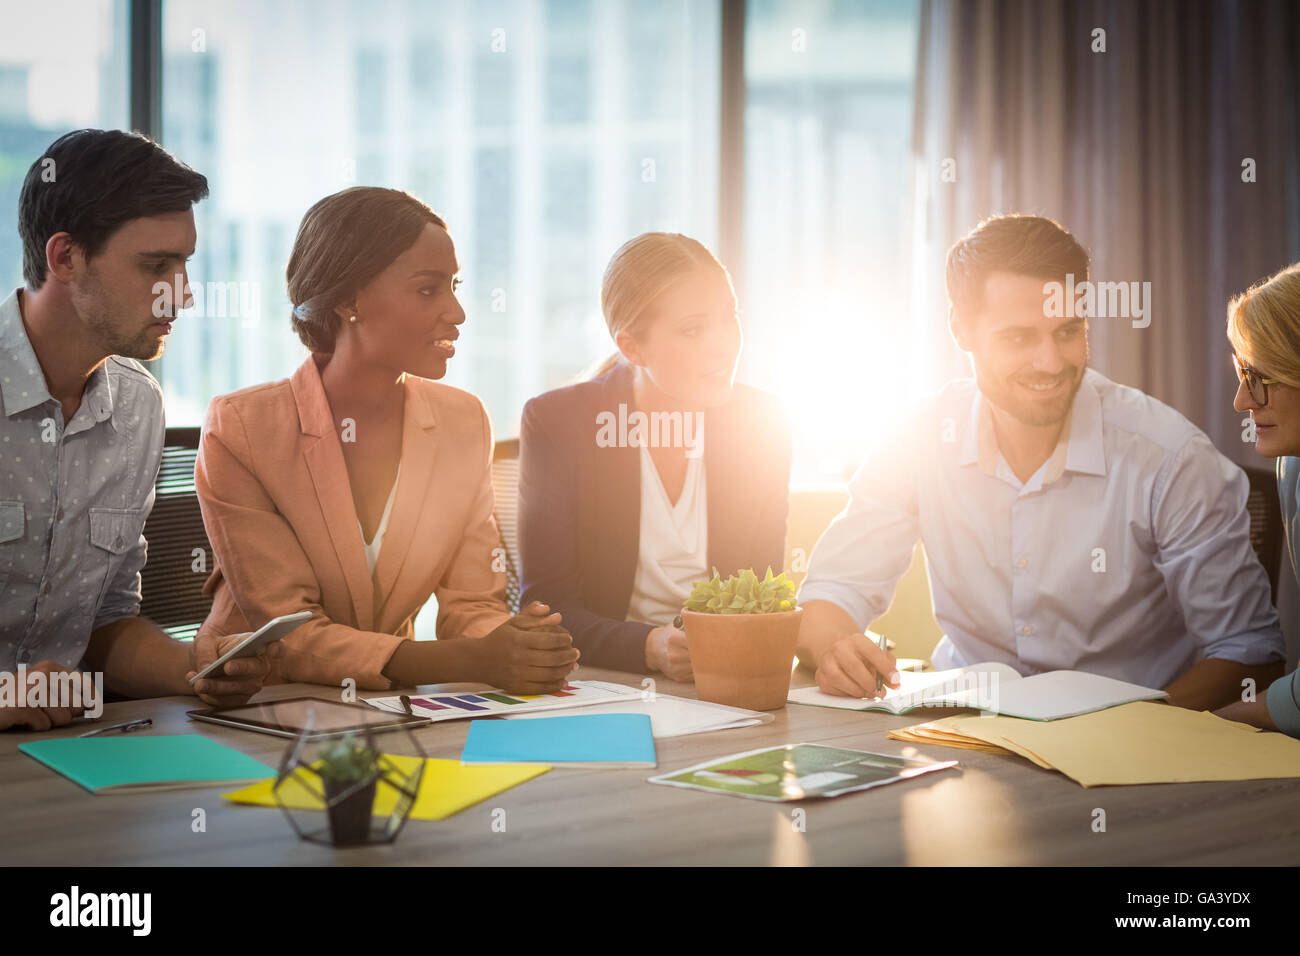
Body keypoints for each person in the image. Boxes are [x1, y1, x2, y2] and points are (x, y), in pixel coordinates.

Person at [797, 214, 1285, 710]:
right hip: (965, 733)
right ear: (960, 329)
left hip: (1126, 749)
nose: (1051, 362)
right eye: (1019, 338)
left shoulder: (1169, 457)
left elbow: (1249, 653)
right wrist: (835, 648)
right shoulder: (917, 438)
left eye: (1068, 331)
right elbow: (831, 594)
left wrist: (1131, 729)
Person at [194, 187, 578, 693]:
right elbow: (292, 635)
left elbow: (473, 606)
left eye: (454, 286)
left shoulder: (462, 421)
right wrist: (476, 659)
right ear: (349, 299)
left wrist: (516, 643)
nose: (457, 312)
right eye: (428, 290)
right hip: (255, 700)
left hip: (382, 706)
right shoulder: (242, 429)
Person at [0, 129, 277, 731]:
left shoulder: (136, 406)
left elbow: (105, 624)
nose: (182, 294)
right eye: (156, 265)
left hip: (65, 751)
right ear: (65, 258)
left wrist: (199, 667)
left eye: (183, 263)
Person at [518, 233, 791, 680]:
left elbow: (764, 594)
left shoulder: (763, 422)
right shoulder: (559, 422)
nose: (724, 345)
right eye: (693, 329)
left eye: (730, 317)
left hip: (722, 683)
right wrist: (649, 646)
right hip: (603, 682)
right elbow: (545, 610)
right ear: (632, 348)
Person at [1214, 263, 1300, 737]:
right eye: (1241, 373)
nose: (1242, 401)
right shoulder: (1293, 463)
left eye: (1259, 376)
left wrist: (1216, 726)